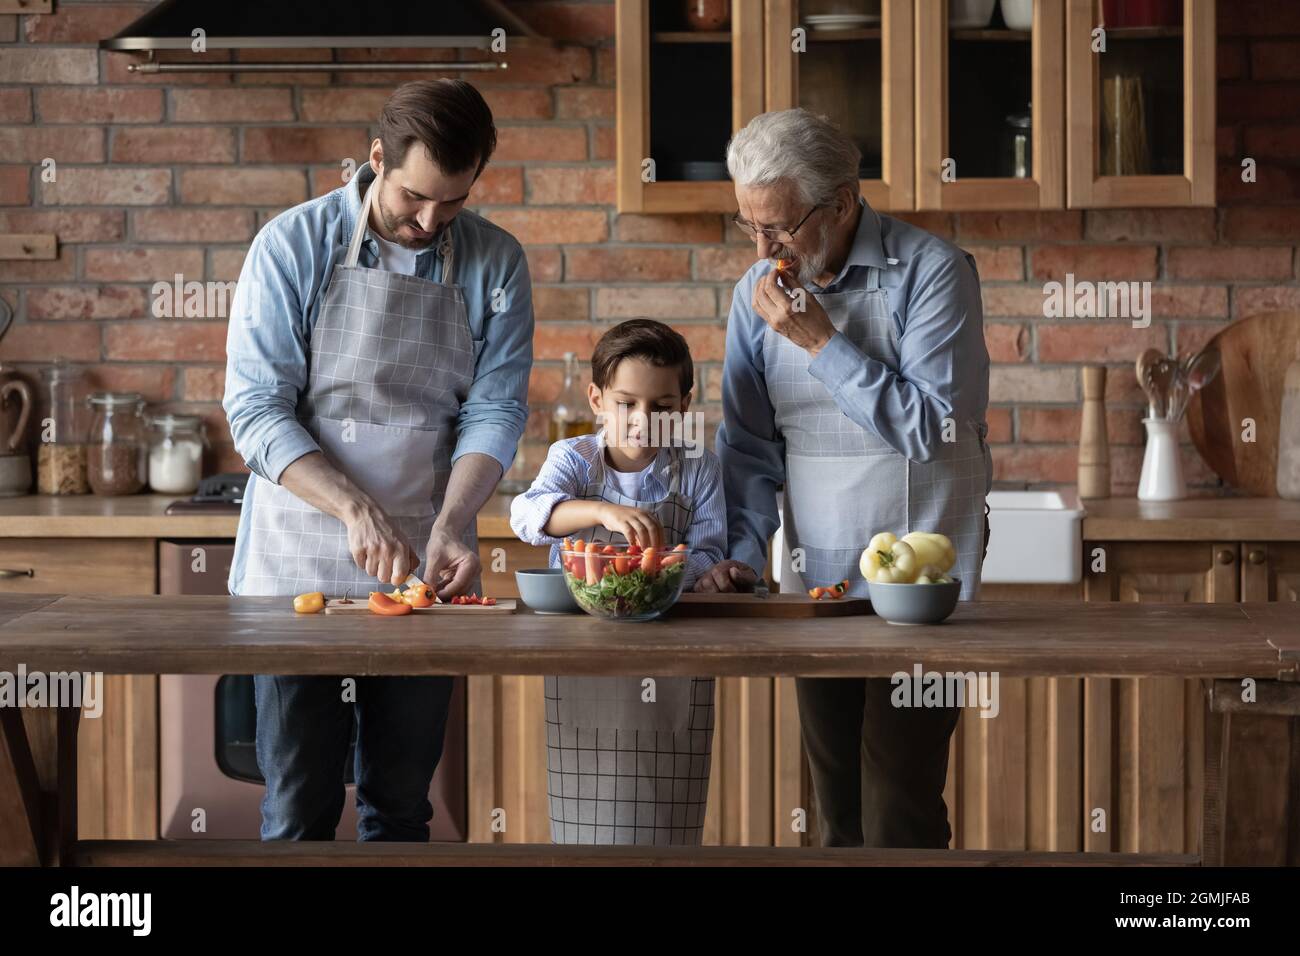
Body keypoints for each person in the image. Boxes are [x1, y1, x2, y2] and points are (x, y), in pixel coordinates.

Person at [223, 80, 533, 841]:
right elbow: (257, 409)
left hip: (428, 564)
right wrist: (356, 508)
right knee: (298, 809)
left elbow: (493, 409)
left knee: (400, 807)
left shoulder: (497, 262)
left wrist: (458, 522)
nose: (430, 222)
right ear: (374, 161)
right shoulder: (292, 245)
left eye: (453, 204)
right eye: (414, 199)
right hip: (298, 563)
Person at [706, 108, 993, 848]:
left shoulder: (933, 272)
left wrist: (820, 340)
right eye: (750, 228)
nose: (767, 249)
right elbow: (748, 445)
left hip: (921, 588)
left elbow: (933, 428)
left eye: (780, 228)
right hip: (818, 584)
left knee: (902, 803)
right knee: (836, 811)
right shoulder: (753, 294)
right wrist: (741, 550)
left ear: (841, 203)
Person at [510, 319, 727, 844]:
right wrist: (600, 511)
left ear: (684, 406)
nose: (643, 420)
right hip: (583, 654)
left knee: (669, 817)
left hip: (672, 654)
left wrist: (701, 574)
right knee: (585, 814)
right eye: (627, 403)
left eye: (662, 407)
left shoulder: (697, 466)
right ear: (597, 400)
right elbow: (526, 514)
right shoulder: (574, 460)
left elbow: (708, 550)